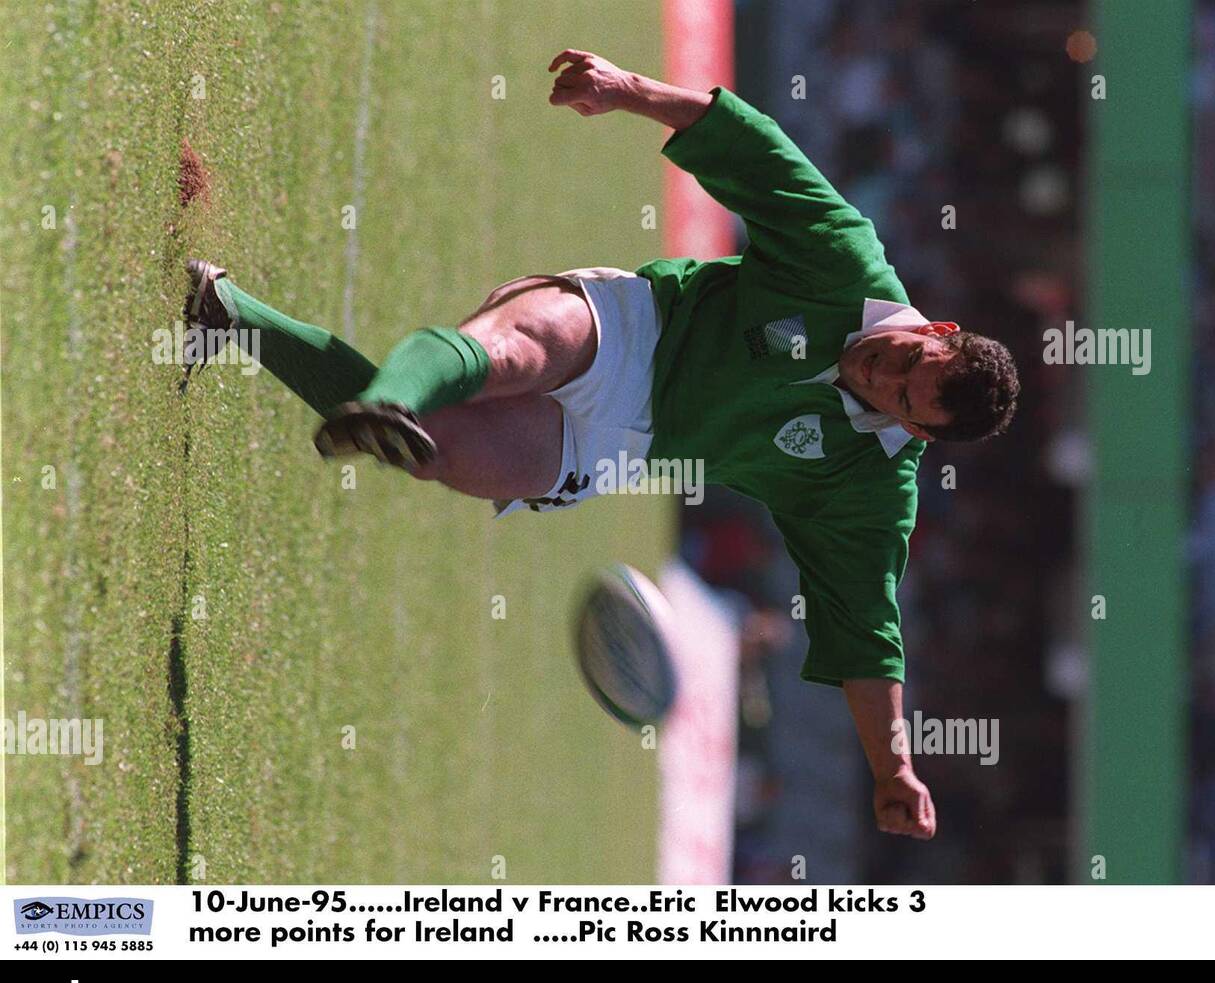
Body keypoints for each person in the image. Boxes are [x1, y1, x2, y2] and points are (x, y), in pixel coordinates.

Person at [184, 50, 1020, 841]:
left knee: (435, 449)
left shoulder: (869, 491)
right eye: (911, 356)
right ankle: (392, 394)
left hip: (623, 443)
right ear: (939, 329)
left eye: (902, 398)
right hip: (633, 328)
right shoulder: (847, 265)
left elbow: (866, 626)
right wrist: (628, 89)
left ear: (916, 432)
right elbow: (759, 151)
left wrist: (894, 766)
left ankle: (229, 313)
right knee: (505, 356)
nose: (884, 371)